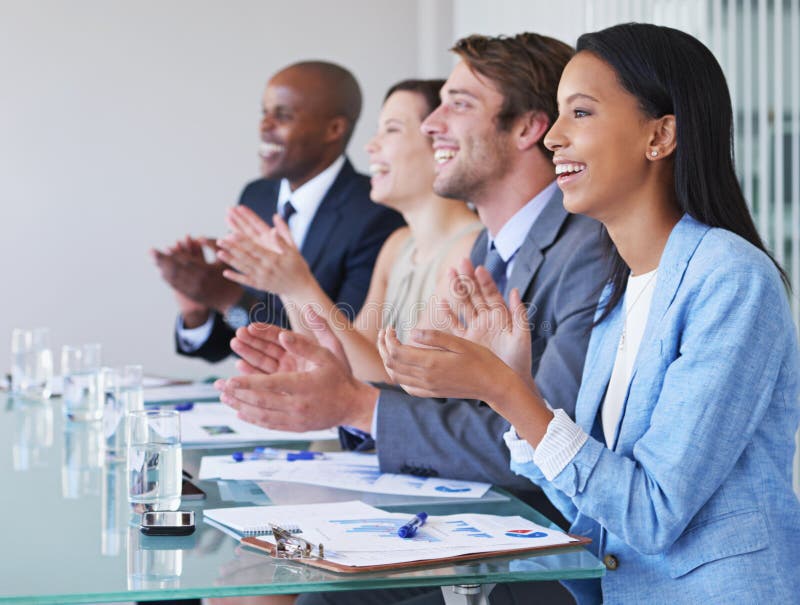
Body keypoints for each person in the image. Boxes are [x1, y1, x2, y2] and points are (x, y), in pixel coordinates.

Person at [377, 23, 800, 604]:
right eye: (555, 115)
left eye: (580, 113)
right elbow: (596, 509)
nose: (552, 138)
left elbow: (652, 513)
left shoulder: (731, 280)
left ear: (661, 135)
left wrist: (506, 392)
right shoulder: (617, 294)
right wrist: (521, 387)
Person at [216, 32, 607, 605]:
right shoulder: (488, 253)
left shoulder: (585, 250)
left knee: (316, 595)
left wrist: (355, 402)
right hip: (472, 512)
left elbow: (538, 446)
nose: (432, 124)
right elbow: (433, 395)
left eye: (459, 104)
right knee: (254, 557)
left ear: (527, 128)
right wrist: (340, 382)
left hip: (541, 545)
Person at [214, 79, 482, 383]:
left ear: (442, 145)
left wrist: (299, 286)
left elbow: (393, 387)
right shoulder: (398, 245)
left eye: (391, 129)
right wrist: (287, 285)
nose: (370, 145)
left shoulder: (469, 249)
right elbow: (346, 363)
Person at [151, 61, 404, 363]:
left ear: (334, 129)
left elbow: (343, 353)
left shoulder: (376, 212)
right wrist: (198, 308)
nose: (264, 126)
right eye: (264, 113)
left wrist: (228, 297)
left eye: (282, 115)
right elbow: (230, 341)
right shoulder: (256, 196)